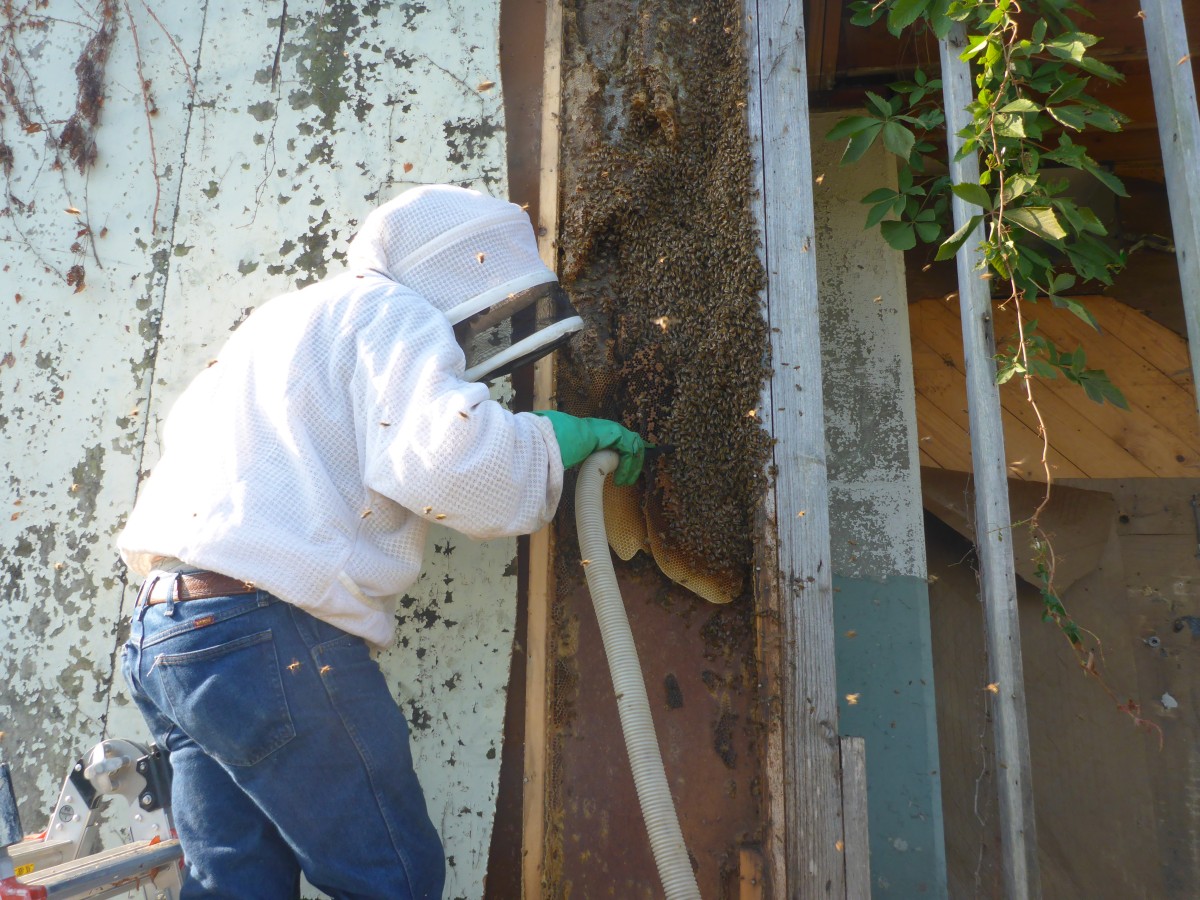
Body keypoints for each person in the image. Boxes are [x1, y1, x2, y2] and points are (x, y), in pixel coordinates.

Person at [117, 185, 646, 899]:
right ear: (464, 269)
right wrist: (553, 439)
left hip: (166, 635)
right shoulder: (392, 310)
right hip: (260, 630)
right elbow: (446, 462)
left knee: (236, 884)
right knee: (390, 877)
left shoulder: (281, 321)